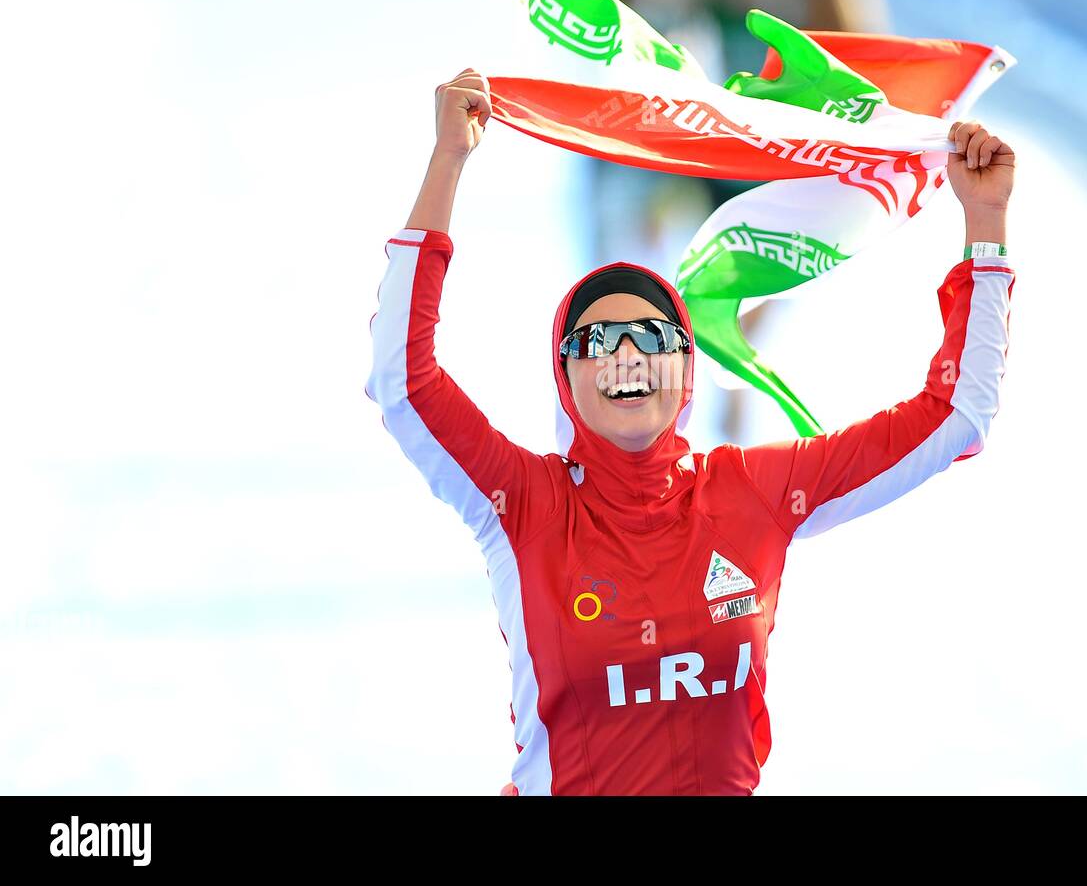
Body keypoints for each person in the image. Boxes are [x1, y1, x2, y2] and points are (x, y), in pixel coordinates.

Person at [366, 68, 1016, 796]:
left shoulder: (755, 493)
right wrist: (447, 160)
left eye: (651, 335)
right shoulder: (521, 503)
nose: (625, 354)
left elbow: (958, 413)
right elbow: (403, 381)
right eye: (597, 339)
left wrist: (984, 227)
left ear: (685, 368)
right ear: (565, 376)